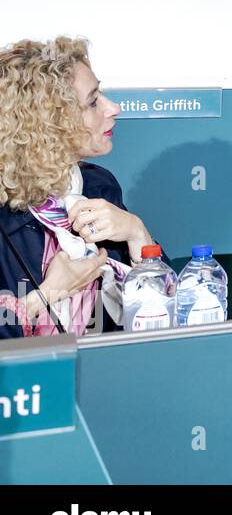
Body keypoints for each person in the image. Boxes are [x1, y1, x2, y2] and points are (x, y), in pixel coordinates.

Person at [0, 38, 157, 338]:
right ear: (46, 123)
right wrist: (46, 295)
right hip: (28, 384)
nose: (114, 108)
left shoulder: (99, 185)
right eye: (93, 101)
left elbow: (157, 312)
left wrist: (137, 232)